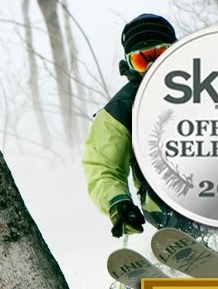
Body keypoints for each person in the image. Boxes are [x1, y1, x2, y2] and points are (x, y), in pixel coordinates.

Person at [82, 13, 198, 238]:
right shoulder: (121, 110)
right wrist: (117, 202)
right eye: (142, 60)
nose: (153, 66)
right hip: (166, 202)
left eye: (160, 54)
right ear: (130, 65)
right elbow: (102, 166)